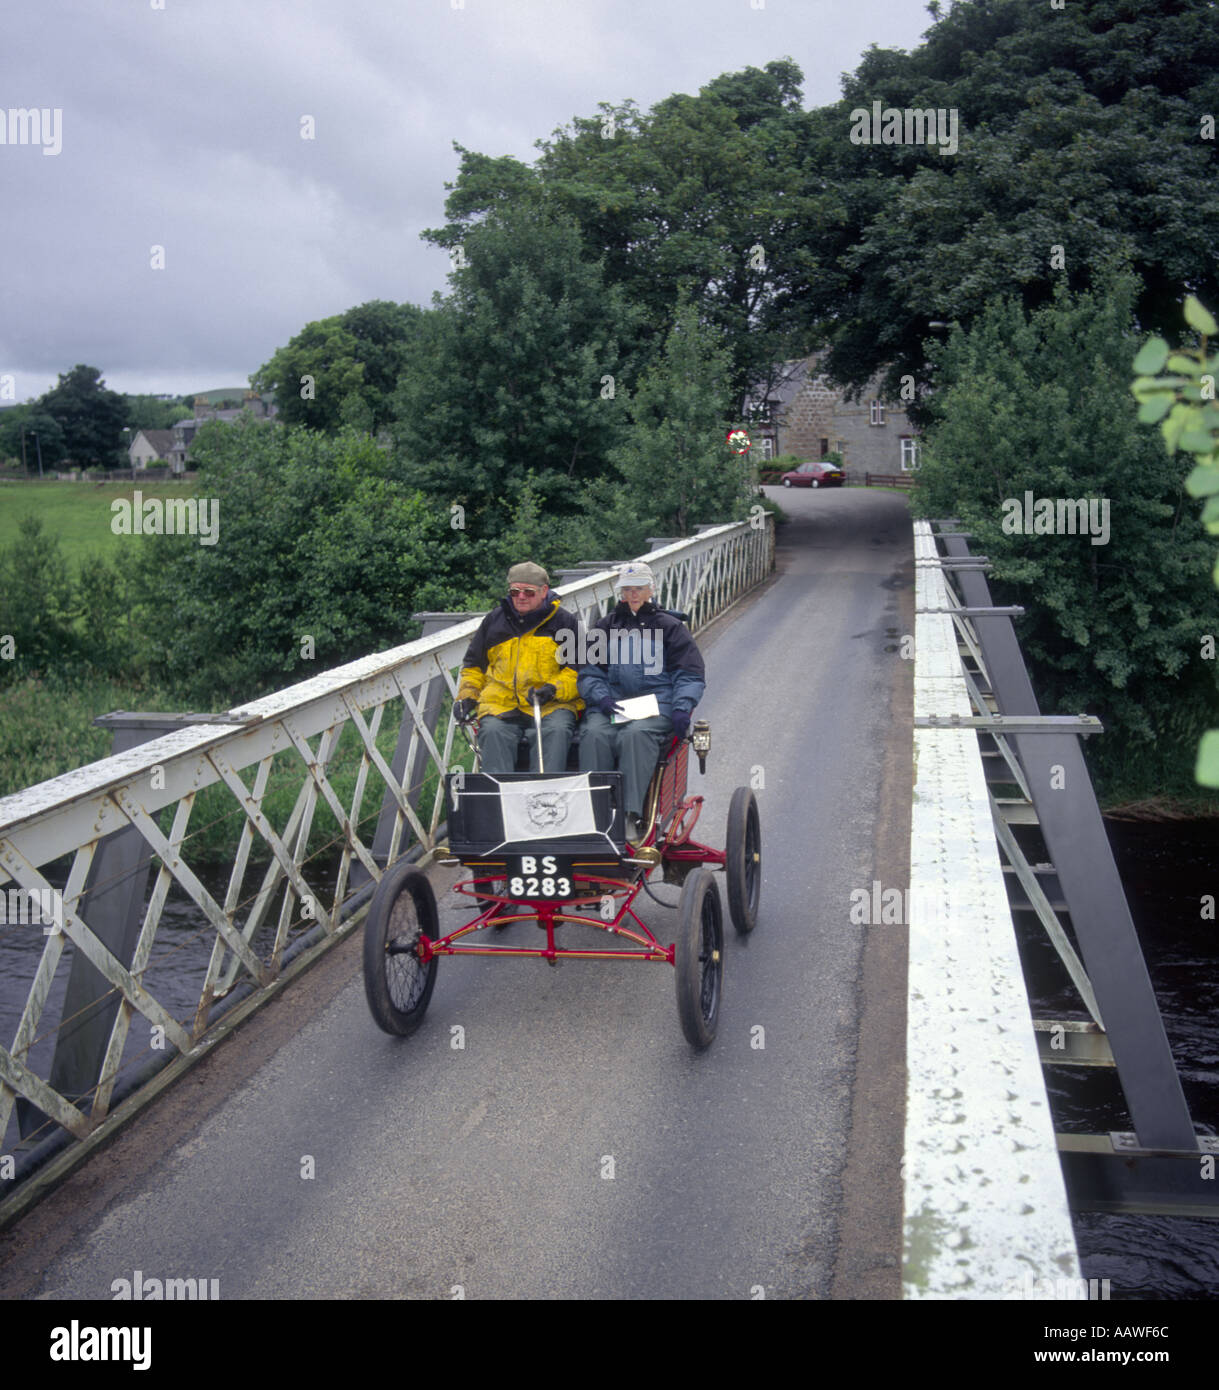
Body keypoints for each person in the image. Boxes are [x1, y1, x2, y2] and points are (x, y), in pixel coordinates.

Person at [577, 561, 705, 842]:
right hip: (614, 704)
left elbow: (689, 674)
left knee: (636, 736)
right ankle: (596, 812)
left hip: (655, 705)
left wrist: (682, 707)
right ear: (620, 593)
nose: (633, 594)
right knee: (593, 734)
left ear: (651, 590)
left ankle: (630, 815)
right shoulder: (606, 626)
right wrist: (602, 697)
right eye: (627, 589)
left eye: (639, 589)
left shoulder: (671, 627)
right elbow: (589, 672)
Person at [454, 562, 584, 774]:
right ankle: (499, 799)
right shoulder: (493, 621)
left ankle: (546, 798)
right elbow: (473, 666)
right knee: (493, 731)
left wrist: (553, 690)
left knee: (556, 731)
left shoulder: (565, 622)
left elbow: (578, 670)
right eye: (515, 592)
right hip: (501, 704)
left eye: (528, 592)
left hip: (551, 705)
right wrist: (467, 696)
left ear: (544, 592)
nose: (521, 597)